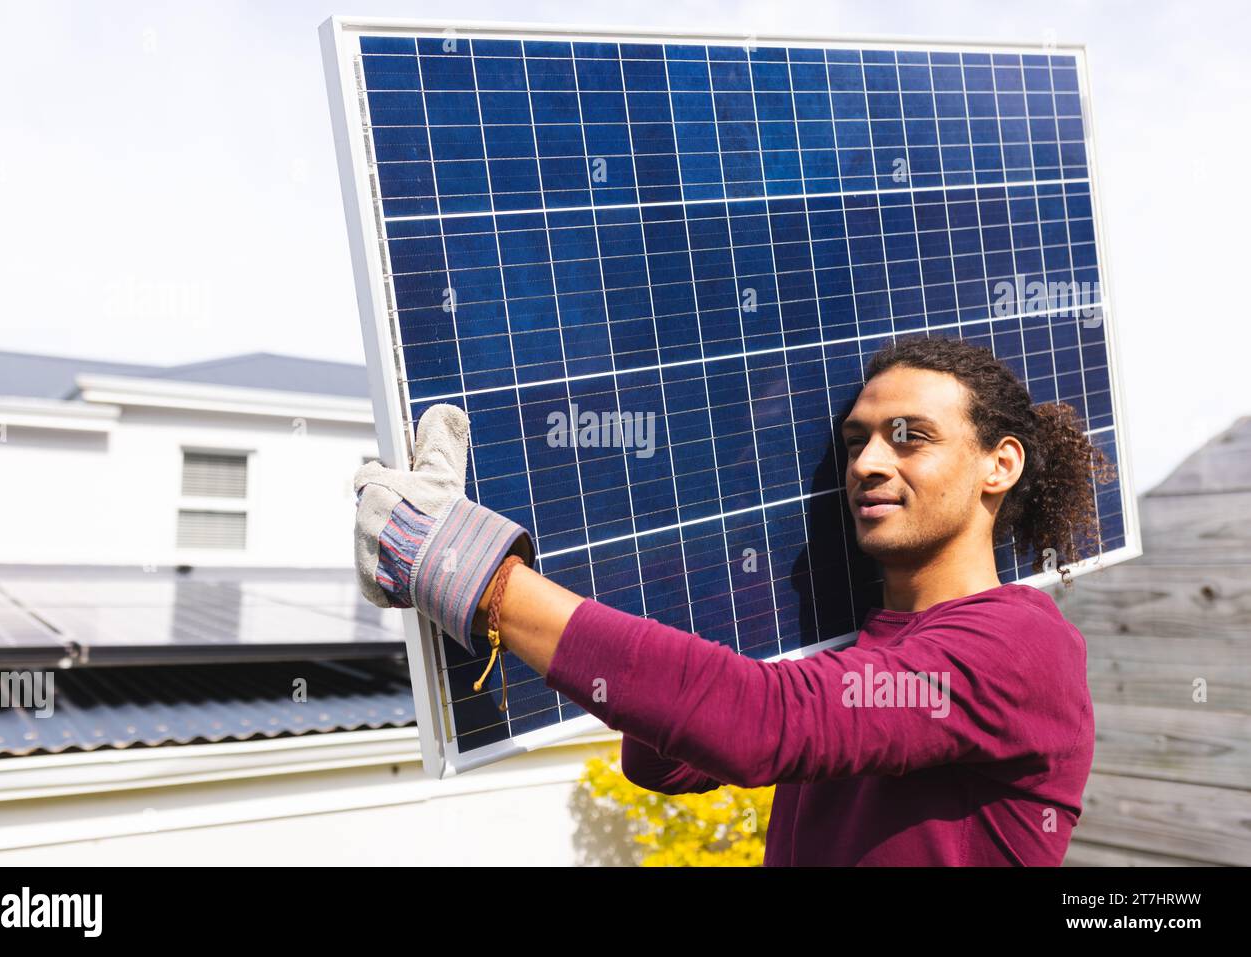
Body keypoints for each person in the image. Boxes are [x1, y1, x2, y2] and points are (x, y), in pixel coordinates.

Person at [352, 334, 1115, 866]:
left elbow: (762, 723)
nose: (868, 463)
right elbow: (668, 766)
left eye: (909, 436)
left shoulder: (1020, 647)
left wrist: (475, 572)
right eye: (855, 441)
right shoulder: (862, 643)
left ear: (999, 464)